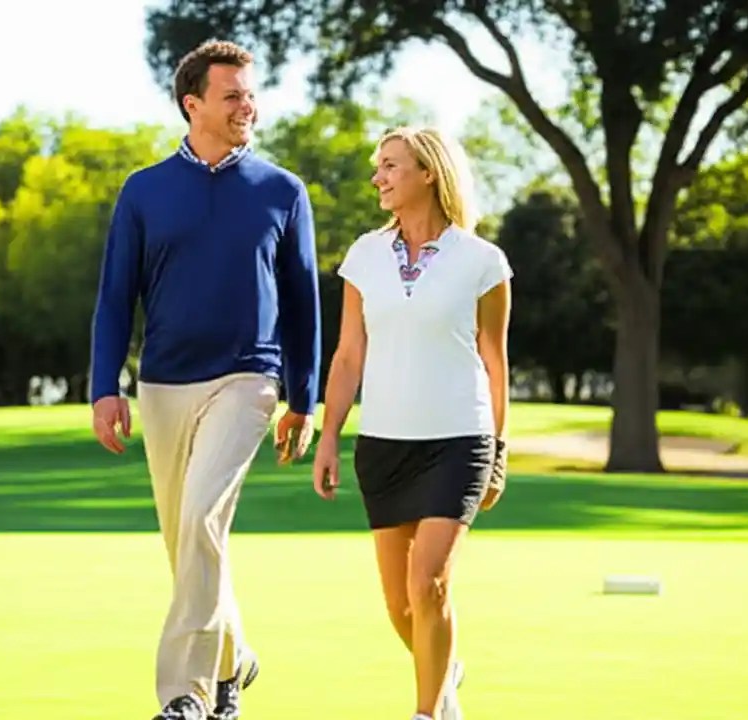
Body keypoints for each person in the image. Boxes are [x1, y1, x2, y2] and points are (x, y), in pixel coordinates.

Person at [88, 39, 322, 720]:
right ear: (193, 104)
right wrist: (106, 385)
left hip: (249, 380)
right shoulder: (144, 190)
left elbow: (305, 303)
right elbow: (113, 297)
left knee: (199, 519)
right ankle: (232, 658)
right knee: (187, 539)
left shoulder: (283, 191)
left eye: (251, 93)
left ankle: (184, 696)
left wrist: (302, 399)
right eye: (233, 94)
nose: (248, 104)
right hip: (162, 385)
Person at [311, 126, 512, 720]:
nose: (379, 177)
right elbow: (349, 356)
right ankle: (445, 671)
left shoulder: (482, 261)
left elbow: (495, 361)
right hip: (384, 446)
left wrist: (498, 450)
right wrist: (328, 437)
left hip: (458, 441)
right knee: (400, 603)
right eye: (380, 166)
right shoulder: (364, 257)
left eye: (391, 166)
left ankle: (427, 712)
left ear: (429, 172)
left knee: (429, 584)